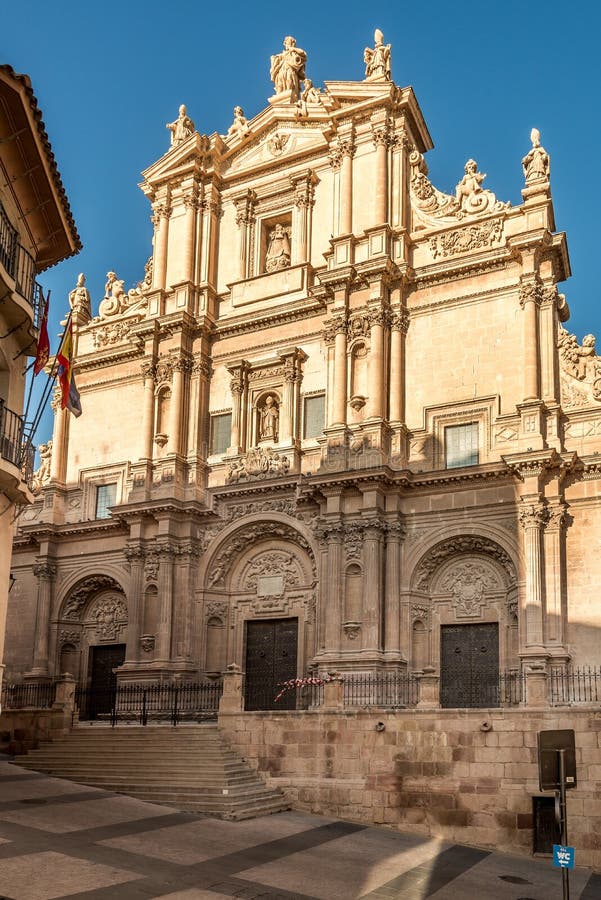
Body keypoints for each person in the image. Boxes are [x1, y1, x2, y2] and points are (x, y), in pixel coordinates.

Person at [270, 36, 307, 102]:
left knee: (289, 80)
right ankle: (280, 94)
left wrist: (293, 49)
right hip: (281, 70)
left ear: (292, 43)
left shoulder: (294, 51)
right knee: (280, 83)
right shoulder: (283, 54)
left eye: (287, 41)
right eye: (285, 42)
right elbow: (276, 59)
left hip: (290, 69)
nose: (285, 43)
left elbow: (303, 54)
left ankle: (289, 94)